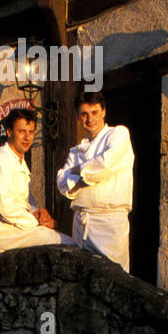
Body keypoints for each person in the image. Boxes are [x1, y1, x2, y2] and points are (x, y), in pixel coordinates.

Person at [0, 107, 74, 252]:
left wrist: (38, 212)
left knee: (64, 240)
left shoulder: (20, 162)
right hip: (0, 230)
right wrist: (37, 222)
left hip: (16, 227)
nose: (27, 138)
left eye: (31, 132)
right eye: (21, 131)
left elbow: (23, 203)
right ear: (9, 132)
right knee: (63, 243)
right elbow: (4, 205)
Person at [55, 93, 134, 272]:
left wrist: (75, 172)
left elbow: (105, 164)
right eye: (84, 114)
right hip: (81, 221)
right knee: (81, 277)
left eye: (94, 112)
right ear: (78, 116)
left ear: (104, 112)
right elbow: (61, 183)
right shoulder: (76, 150)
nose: (90, 119)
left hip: (109, 222)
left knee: (115, 277)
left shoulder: (118, 134)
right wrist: (84, 177)